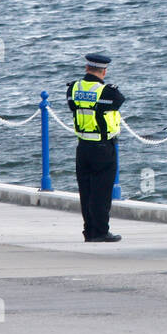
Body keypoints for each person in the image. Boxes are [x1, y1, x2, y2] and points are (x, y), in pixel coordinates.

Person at [67, 53, 125, 243]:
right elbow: (120, 100)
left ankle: (89, 230)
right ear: (104, 70)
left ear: (87, 68)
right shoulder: (106, 91)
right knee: (102, 191)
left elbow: (72, 106)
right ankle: (101, 231)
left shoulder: (74, 88)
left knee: (86, 190)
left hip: (82, 145)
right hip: (102, 147)